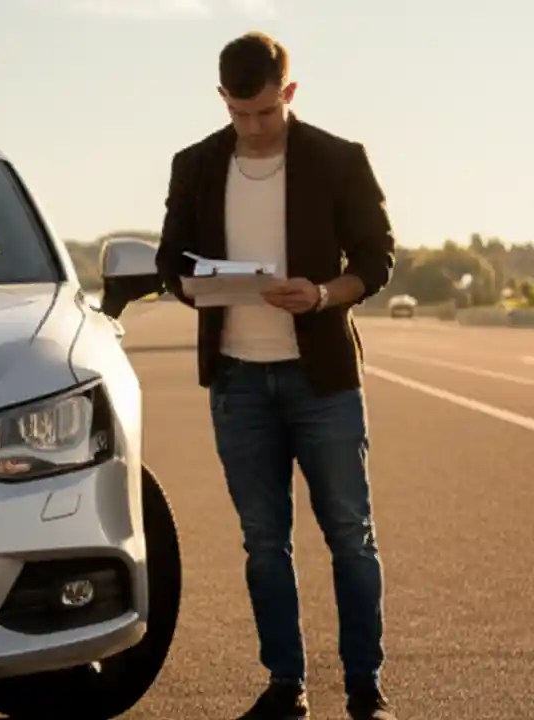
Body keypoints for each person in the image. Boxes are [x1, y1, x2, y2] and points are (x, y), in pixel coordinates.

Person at [154, 30, 398, 720]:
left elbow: (376, 260)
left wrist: (321, 295)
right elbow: (171, 259)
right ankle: (285, 687)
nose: (254, 128)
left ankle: (364, 689)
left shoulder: (337, 160)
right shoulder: (194, 165)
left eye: (265, 112)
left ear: (287, 93)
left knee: (350, 533)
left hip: (321, 380)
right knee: (264, 542)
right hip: (237, 382)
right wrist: (191, 287)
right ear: (223, 100)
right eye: (240, 114)